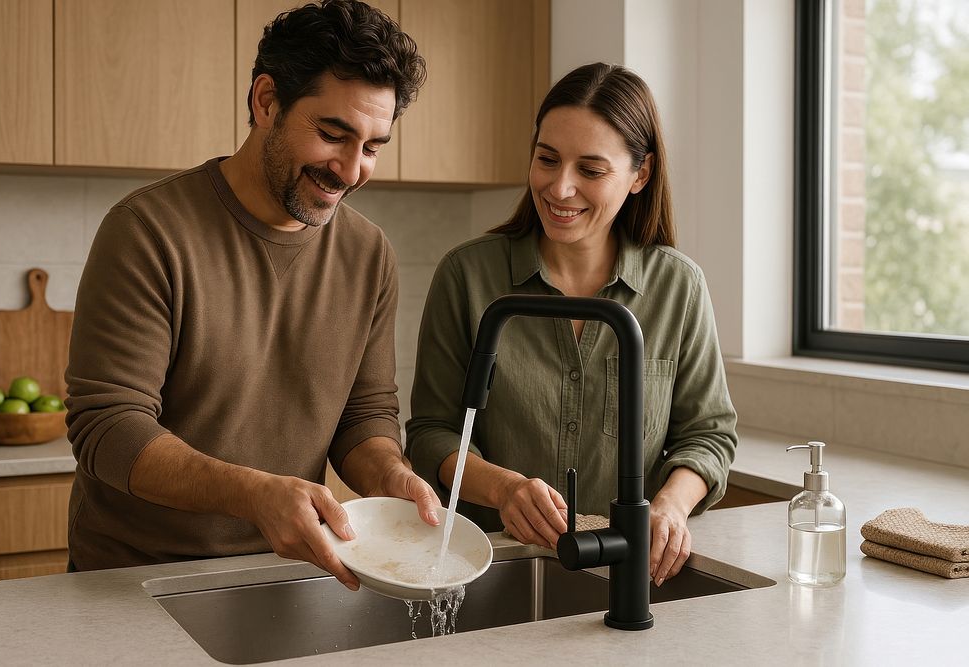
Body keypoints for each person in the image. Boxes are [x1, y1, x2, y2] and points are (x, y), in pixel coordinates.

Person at [65, 0, 440, 589]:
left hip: (283, 575)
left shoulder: (370, 256)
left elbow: (363, 419)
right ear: (266, 101)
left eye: (372, 147)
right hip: (134, 578)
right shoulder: (148, 230)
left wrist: (391, 476)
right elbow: (108, 429)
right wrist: (254, 494)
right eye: (333, 134)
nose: (350, 170)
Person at [406, 63, 737, 586]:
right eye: (547, 159)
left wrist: (671, 505)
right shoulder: (467, 276)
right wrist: (503, 489)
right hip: (490, 568)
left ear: (640, 175)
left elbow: (708, 435)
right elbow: (430, 435)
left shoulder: (679, 287)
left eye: (591, 169)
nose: (560, 188)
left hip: (631, 573)